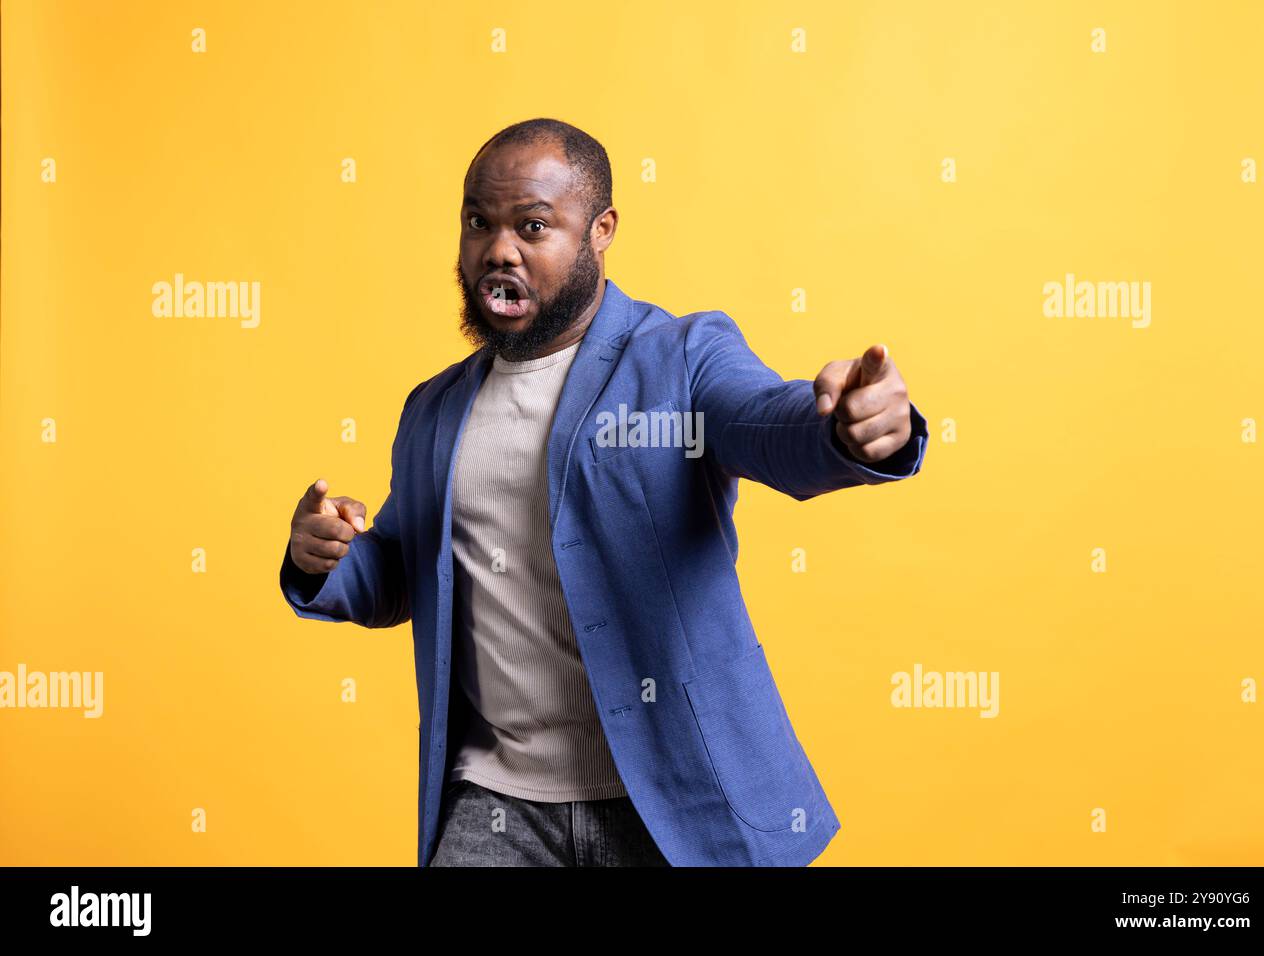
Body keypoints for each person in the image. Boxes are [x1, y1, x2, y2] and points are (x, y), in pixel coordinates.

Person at [280, 118, 930, 866]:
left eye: (532, 226)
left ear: (600, 230)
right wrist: (323, 559)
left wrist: (850, 433)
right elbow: (398, 574)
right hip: (496, 805)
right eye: (478, 223)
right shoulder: (433, 411)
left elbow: (764, 422)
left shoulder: (681, 356)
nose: (499, 250)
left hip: (670, 803)